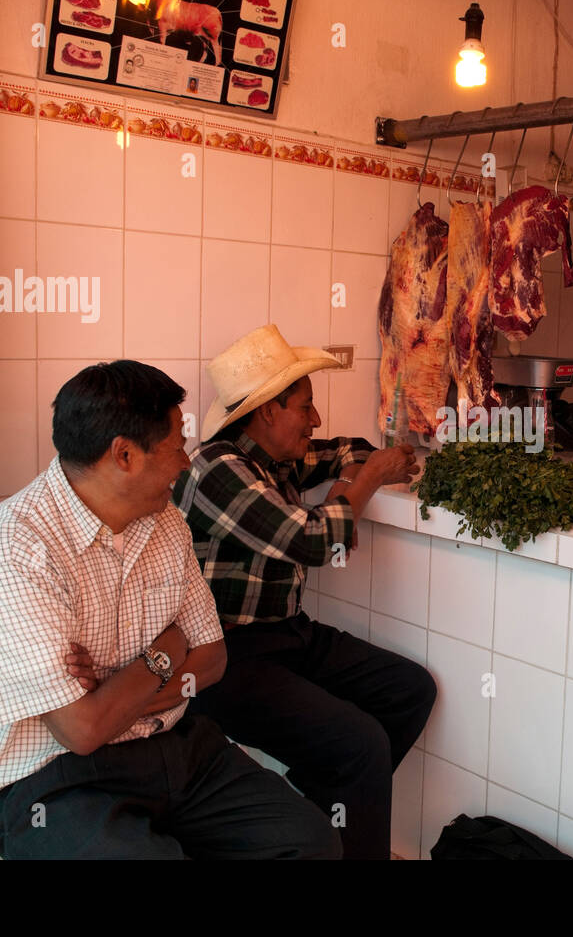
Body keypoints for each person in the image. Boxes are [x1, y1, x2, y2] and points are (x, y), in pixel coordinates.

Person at [0, 360, 340, 859]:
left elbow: (212, 659)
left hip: (176, 747)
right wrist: (165, 651)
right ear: (125, 455)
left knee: (311, 842)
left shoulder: (165, 523)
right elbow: (82, 731)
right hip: (51, 779)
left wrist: (115, 695)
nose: (185, 460)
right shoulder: (14, 550)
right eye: (177, 443)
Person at [173, 325, 436, 860]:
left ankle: (317, 819)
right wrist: (362, 484)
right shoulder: (216, 468)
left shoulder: (276, 457)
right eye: (305, 406)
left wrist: (358, 470)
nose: (315, 419)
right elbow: (312, 540)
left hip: (288, 634)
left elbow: (350, 450)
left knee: (409, 689)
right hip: (225, 656)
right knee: (360, 744)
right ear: (268, 410)